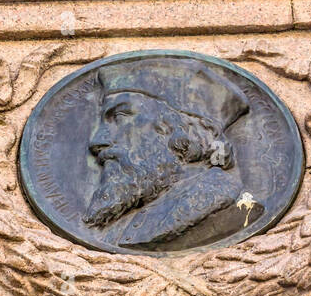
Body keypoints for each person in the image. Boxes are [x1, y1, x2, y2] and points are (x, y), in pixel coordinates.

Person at [83, 63, 249, 248]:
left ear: (181, 128)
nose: (97, 141)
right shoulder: (121, 222)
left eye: (120, 116)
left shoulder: (228, 206)